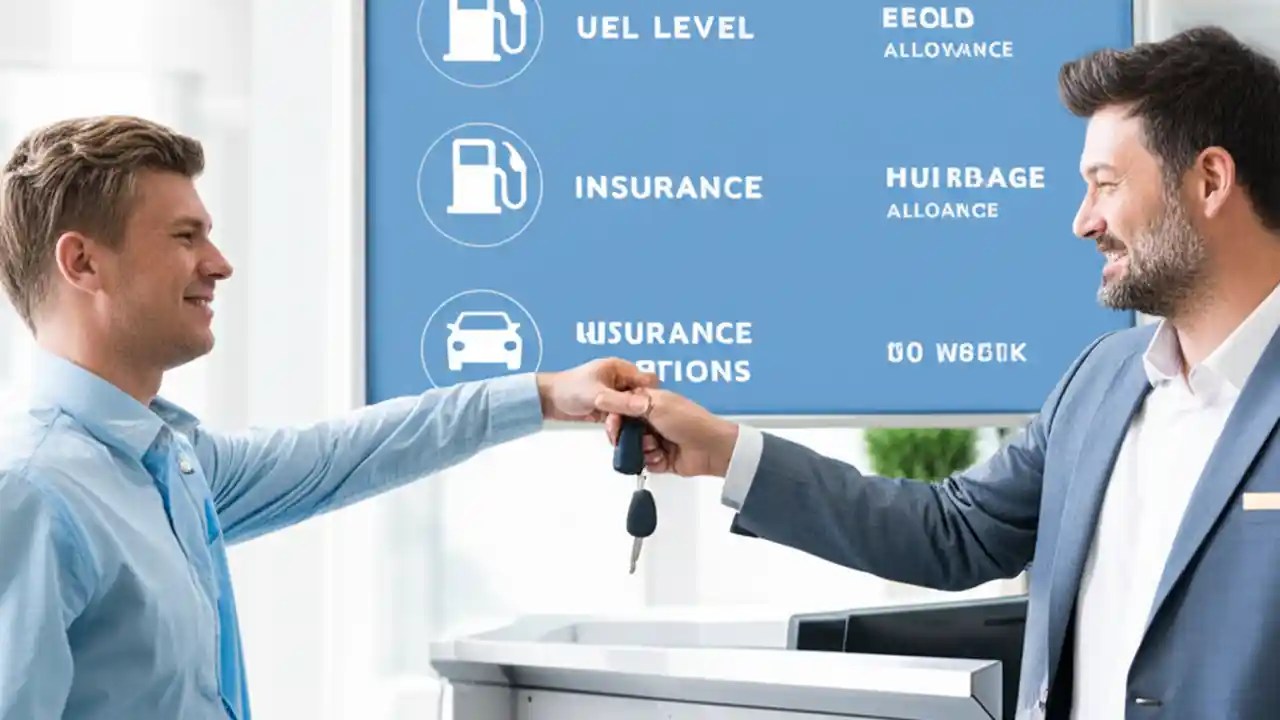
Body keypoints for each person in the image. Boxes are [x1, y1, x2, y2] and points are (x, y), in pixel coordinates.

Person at [599, 25, 1280, 720]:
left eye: (1105, 185)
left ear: (1210, 180)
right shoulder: (1099, 380)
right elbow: (950, 531)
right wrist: (722, 450)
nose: (1083, 221)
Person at [0, 115, 656, 720]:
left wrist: (545, 395)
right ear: (83, 263)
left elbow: (344, 453)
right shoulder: (35, 495)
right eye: (185, 236)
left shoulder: (173, 468)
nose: (219, 263)